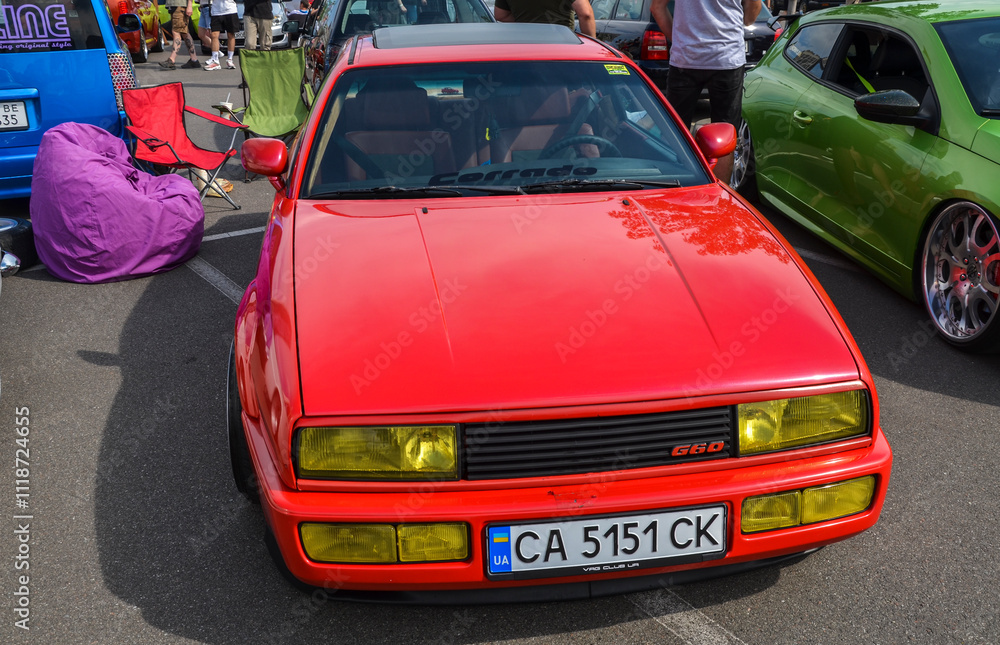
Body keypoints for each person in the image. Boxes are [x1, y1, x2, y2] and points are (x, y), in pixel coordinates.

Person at [650, 0, 761, 185]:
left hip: (686, 58)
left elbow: (656, 8)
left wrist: (680, 40)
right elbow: (752, 13)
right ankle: (719, 193)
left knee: (674, 131)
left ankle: (672, 187)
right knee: (724, 134)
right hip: (726, 58)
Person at [493, 0, 596, 38]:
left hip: (525, 45)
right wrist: (591, 45)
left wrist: (527, 24)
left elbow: (500, 15)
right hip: (562, 44)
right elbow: (585, 14)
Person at [159, 0, 201, 69]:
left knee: (176, 32)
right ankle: (194, 60)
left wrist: (189, 5)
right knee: (184, 32)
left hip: (180, 6)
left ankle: (172, 60)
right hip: (175, 6)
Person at [205, 0, 239, 70]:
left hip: (230, 10)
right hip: (216, 12)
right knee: (214, 35)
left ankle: (230, 59)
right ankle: (215, 61)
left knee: (231, 34)